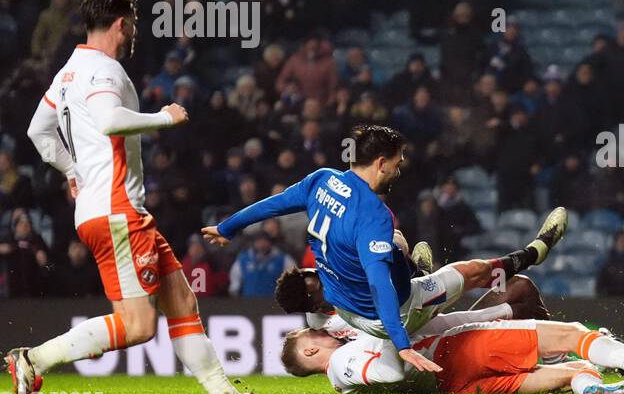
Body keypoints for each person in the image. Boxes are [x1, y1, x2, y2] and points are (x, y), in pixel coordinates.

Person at [12, 0, 280, 394]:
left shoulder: (67, 73)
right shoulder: (105, 70)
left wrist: (71, 171)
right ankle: (33, 359)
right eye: (134, 24)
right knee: (138, 326)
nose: (135, 32)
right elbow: (108, 120)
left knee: (181, 300)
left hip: (114, 210)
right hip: (117, 212)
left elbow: (37, 132)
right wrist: (164, 117)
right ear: (122, 24)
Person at [204, 124, 568, 373]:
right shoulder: (372, 214)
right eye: (397, 162)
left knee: (391, 251)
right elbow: (379, 283)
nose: (400, 168)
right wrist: (401, 343)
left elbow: (275, 204)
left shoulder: (321, 181)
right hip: (392, 313)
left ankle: (414, 270)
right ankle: (532, 253)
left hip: (350, 309)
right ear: (381, 163)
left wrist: (227, 227)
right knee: (467, 271)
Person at [284, 307, 624, 394]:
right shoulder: (344, 361)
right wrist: (390, 331)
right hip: (457, 352)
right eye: (313, 334)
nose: (322, 331)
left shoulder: (341, 381)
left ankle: (597, 388)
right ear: (310, 348)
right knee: (571, 334)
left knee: (575, 367)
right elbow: (389, 372)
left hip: (454, 386)